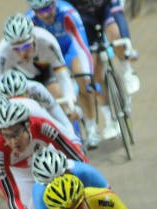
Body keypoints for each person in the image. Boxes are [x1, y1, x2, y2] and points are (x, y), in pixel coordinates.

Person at [0, 99, 85, 209]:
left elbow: (76, 158)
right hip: (23, 175)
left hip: (49, 159)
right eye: (6, 136)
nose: (12, 142)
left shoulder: (42, 125)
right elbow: (11, 197)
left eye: (16, 134)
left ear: (27, 125)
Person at [25, 0, 103, 146]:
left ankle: (92, 128)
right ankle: (71, 131)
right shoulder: (28, 22)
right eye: (41, 11)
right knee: (57, 95)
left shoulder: (68, 12)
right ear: (34, 12)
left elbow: (82, 44)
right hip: (49, 58)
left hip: (69, 50)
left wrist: (89, 75)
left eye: (49, 8)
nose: (47, 13)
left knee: (83, 79)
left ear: (55, 3)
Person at [67, 0, 140, 140]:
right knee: (93, 72)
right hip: (84, 19)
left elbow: (117, 12)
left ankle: (127, 71)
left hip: (107, 9)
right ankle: (109, 120)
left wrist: (127, 43)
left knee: (115, 35)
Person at [0, 14, 77, 121]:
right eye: (16, 49)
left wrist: (69, 96)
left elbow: (61, 72)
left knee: (57, 94)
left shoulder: (47, 41)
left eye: (26, 46)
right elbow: (6, 86)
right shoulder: (3, 52)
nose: (22, 53)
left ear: (33, 37)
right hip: (23, 78)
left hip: (46, 72)